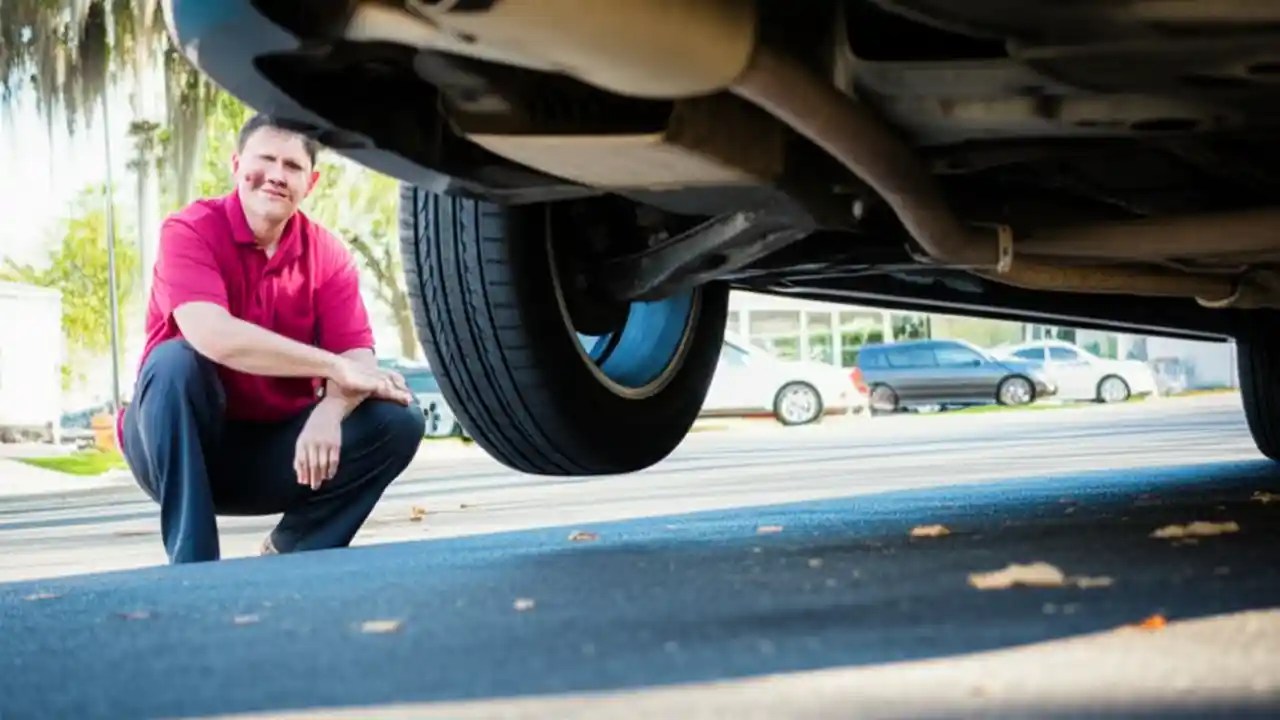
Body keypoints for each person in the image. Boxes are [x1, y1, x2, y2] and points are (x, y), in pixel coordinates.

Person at [118, 114, 426, 564]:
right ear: (237, 164)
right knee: (174, 362)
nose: (277, 175)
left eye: (293, 166)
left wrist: (331, 409)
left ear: (311, 181)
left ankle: (294, 550)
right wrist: (331, 367)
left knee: (399, 417)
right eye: (265, 159)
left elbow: (356, 357)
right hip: (180, 450)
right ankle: (194, 567)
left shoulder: (328, 254)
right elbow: (214, 336)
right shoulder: (189, 230)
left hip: (278, 456)